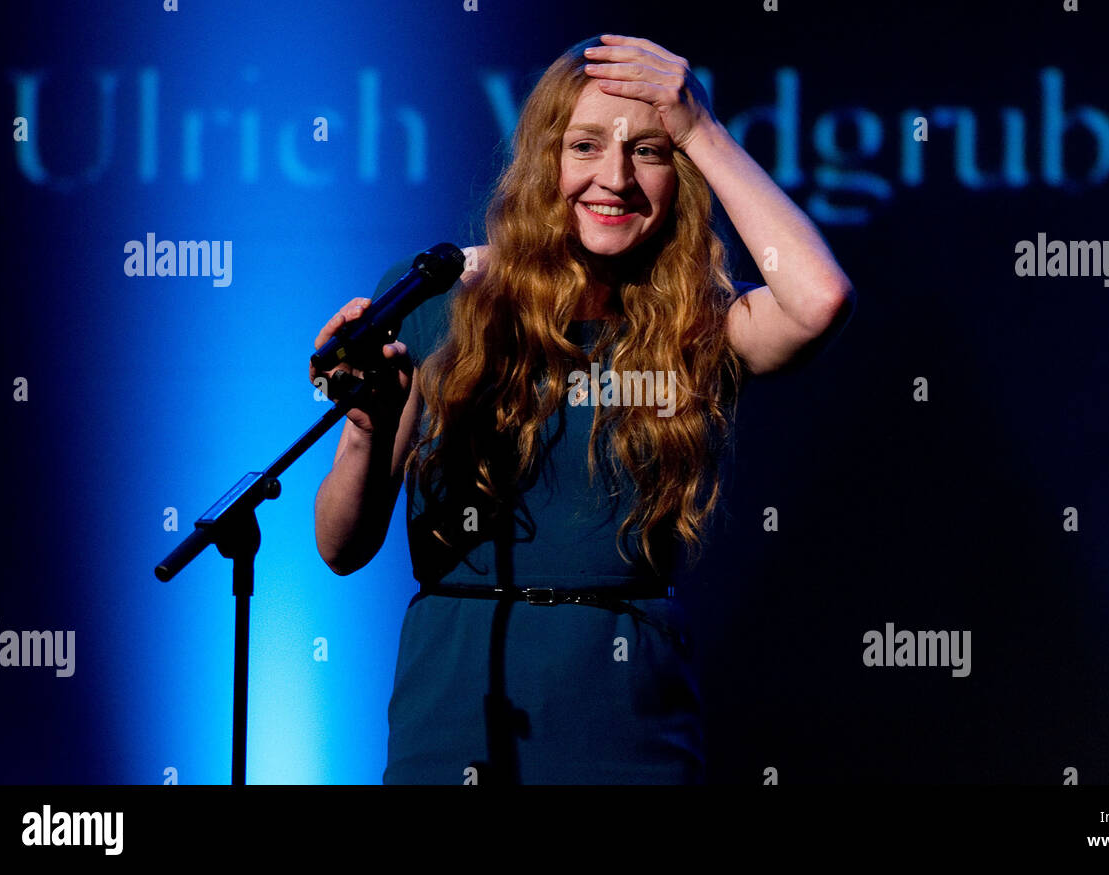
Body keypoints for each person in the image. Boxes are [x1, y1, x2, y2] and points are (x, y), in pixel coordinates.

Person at [310, 34, 855, 784]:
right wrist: (366, 425)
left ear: (682, 174)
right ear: (545, 164)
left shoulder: (696, 322)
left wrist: (701, 126)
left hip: (627, 724)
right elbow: (340, 546)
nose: (615, 178)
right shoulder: (440, 296)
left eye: (651, 152)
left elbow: (819, 298)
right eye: (586, 146)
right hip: (458, 711)